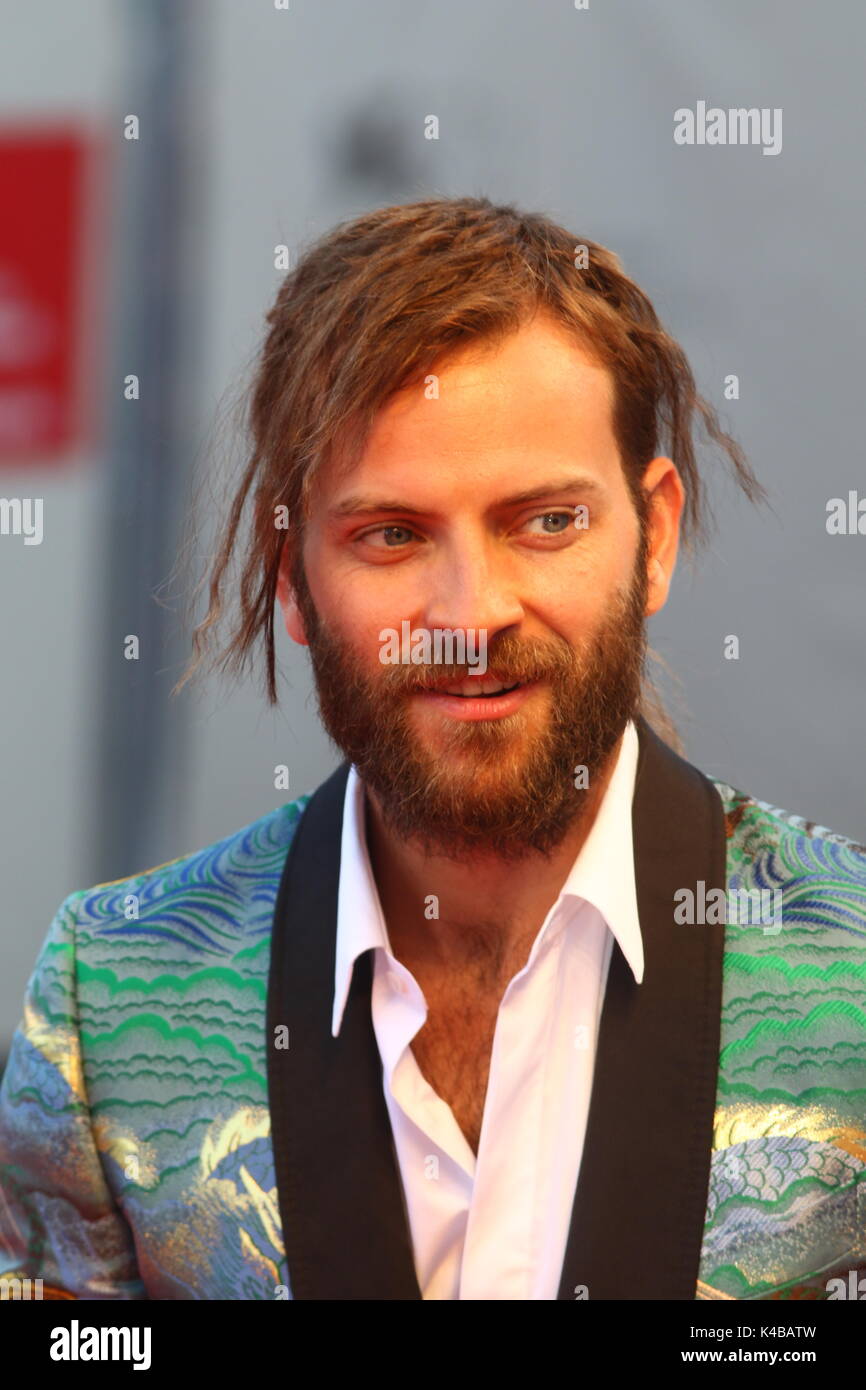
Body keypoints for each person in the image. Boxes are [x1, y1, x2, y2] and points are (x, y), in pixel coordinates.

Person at [2, 196, 865, 1301]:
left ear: (652, 537)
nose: (468, 611)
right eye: (392, 534)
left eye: (545, 521)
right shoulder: (112, 1001)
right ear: (292, 576)